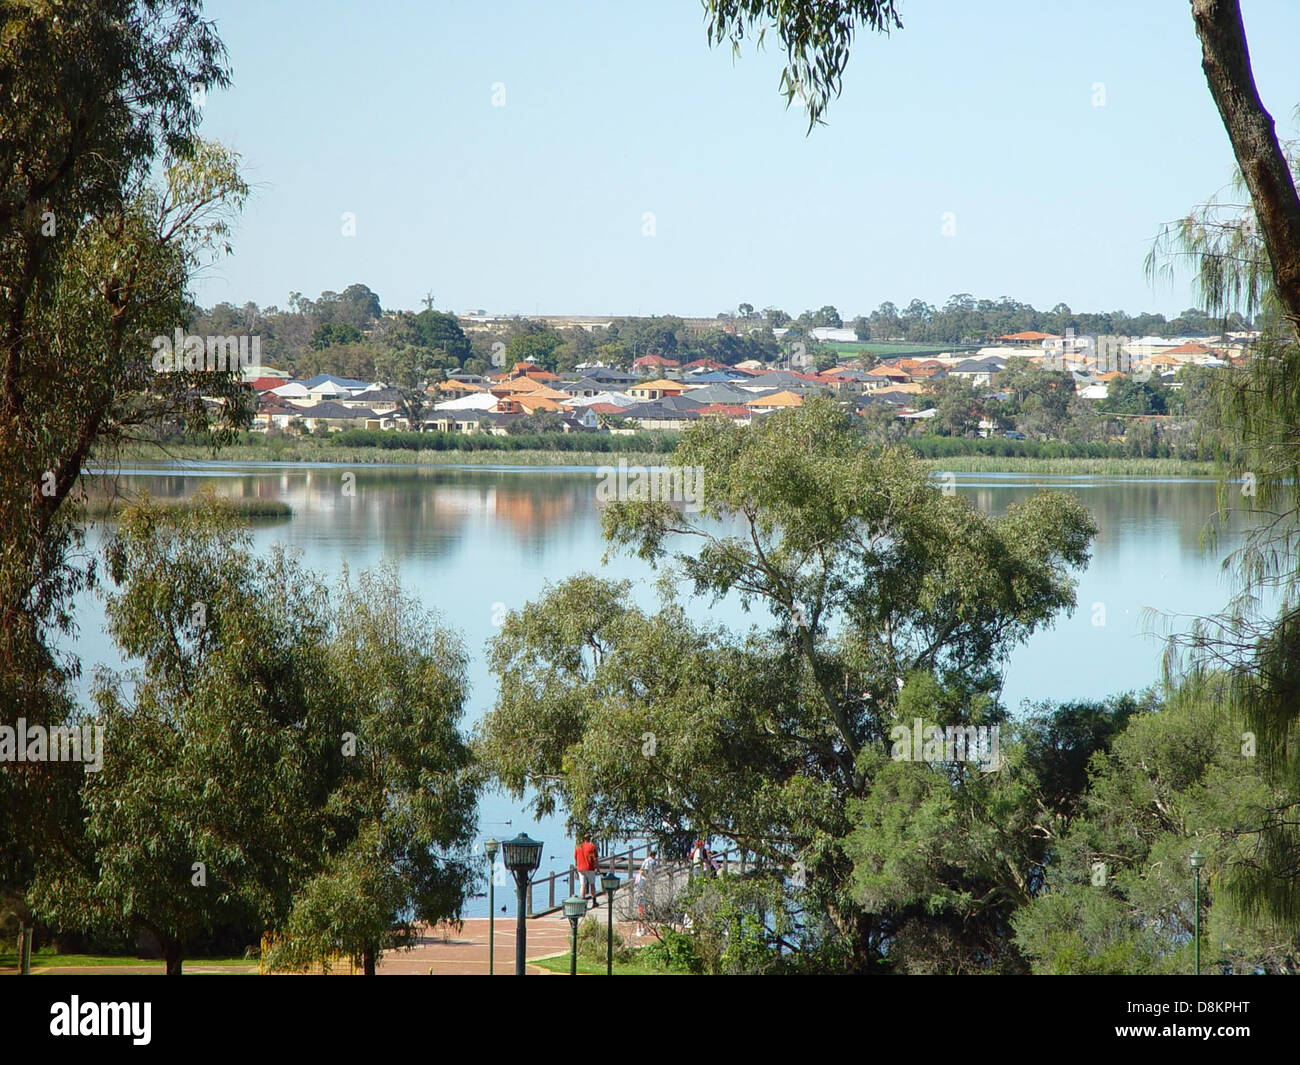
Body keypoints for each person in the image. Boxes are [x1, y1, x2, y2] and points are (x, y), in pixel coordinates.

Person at [634, 849, 658, 936]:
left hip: (645, 889)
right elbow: (647, 871)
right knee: (641, 909)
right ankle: (639, 928)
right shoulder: (650, 862)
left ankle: (644, 928)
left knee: (644, 909)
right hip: (642, 891)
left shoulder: (647, 861)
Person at [574, 834, 599, 907]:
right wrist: (597, 868)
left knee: (583, 885)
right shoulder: (592, 847)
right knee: (592, 884)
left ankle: (582, 903)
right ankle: (594, 901)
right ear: (589, 838)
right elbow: (595, 859)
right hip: (590, 868)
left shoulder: (578, 847)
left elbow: (575, 857)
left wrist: (577, 865)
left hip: (580, 868)